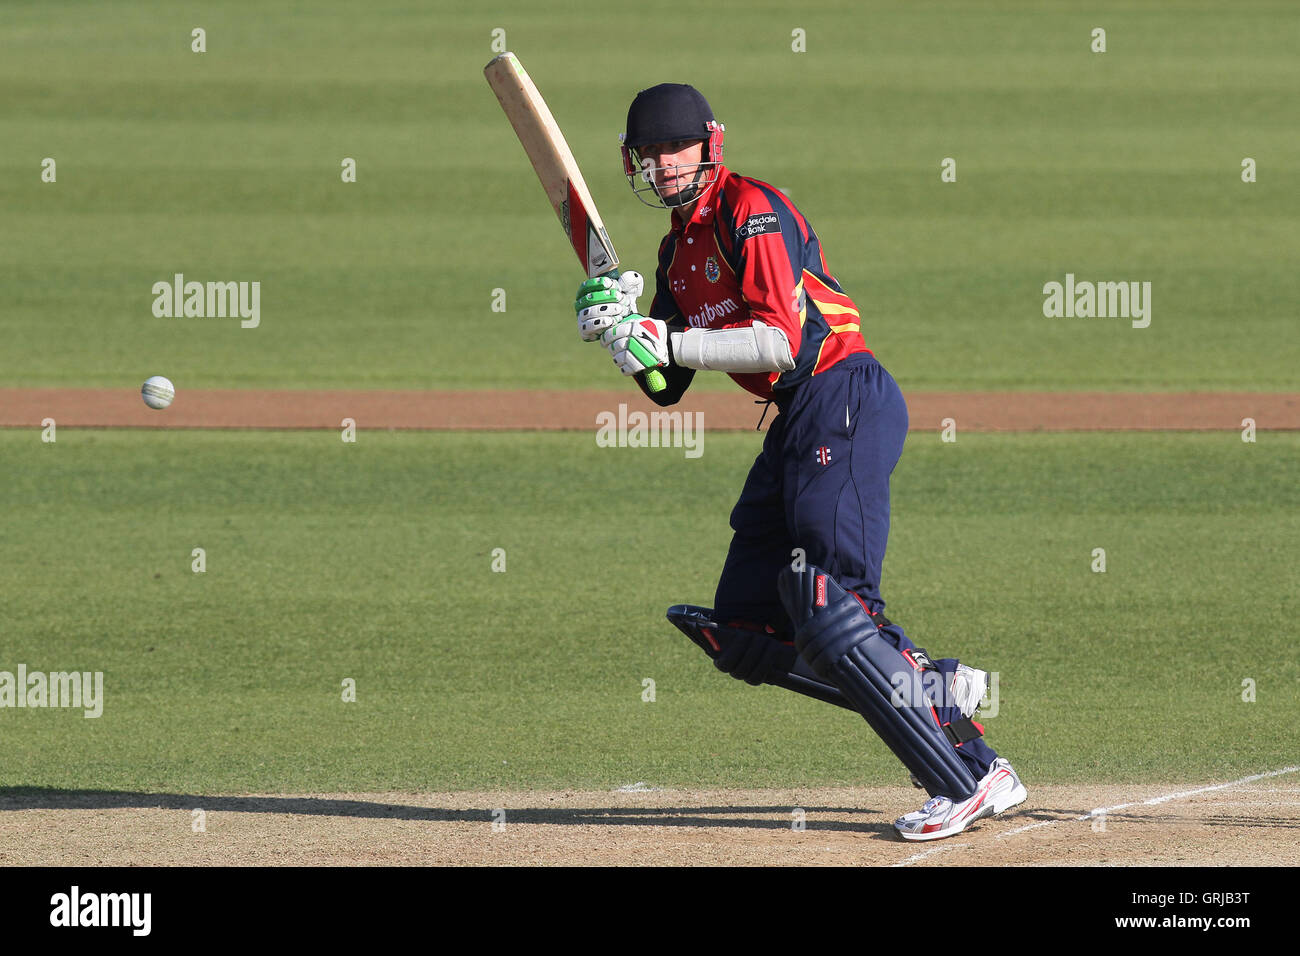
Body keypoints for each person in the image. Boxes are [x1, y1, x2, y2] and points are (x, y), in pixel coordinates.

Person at [573, 82, 1026, 841]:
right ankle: (937, 692)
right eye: (648, 155)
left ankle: (970, 774)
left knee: (833, 602)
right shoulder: (675, 248)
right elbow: (667, 386)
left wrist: (666, 339)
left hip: (841, 393)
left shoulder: (751, 211)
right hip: (796, 419)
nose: (661, 166)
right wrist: (625, 334)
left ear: (709, 145)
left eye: (673, 150)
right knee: (748, 626)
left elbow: (780, 341)